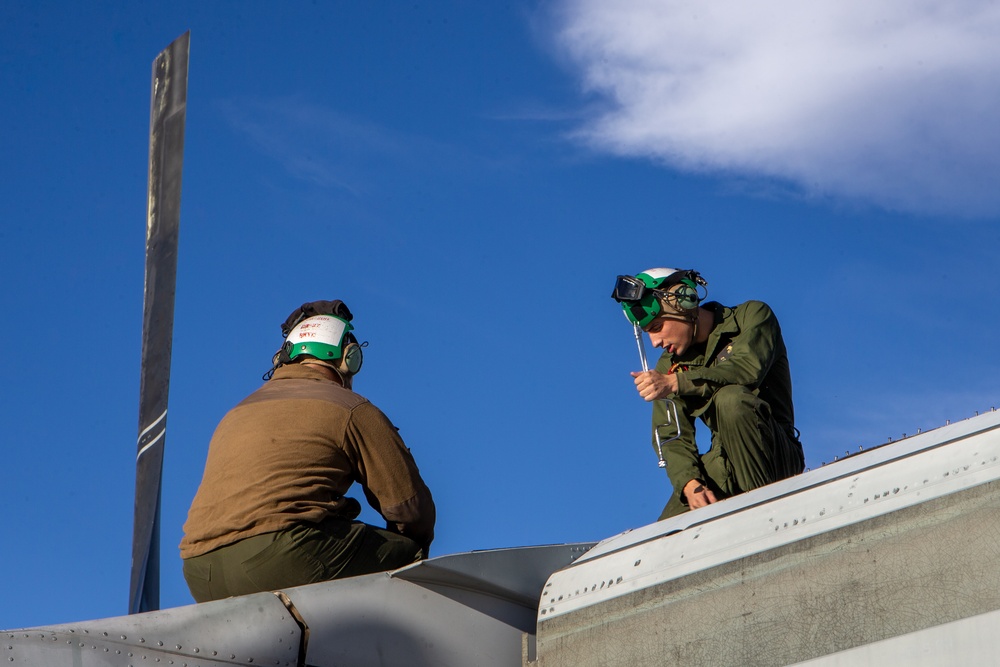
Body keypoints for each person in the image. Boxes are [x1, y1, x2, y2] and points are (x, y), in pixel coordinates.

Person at [179, 299, 435, 602]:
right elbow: (410, 510)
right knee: (407, 558)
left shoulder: (234, 414)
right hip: (281, 556)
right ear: (348, 358)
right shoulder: (352, 409)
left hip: (200, 572)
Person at [612, 268, 804, 519]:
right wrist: (690, 483)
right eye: (648, 332)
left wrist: (676, 383)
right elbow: (671, 435)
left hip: (774, 451)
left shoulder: (752, 316)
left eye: (657, 327)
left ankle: (761, 518)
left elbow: (746, 369)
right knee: (663, 538)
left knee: (731, 400)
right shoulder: (669, 365)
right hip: (722, 462)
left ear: (684, 302)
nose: (655, 342)